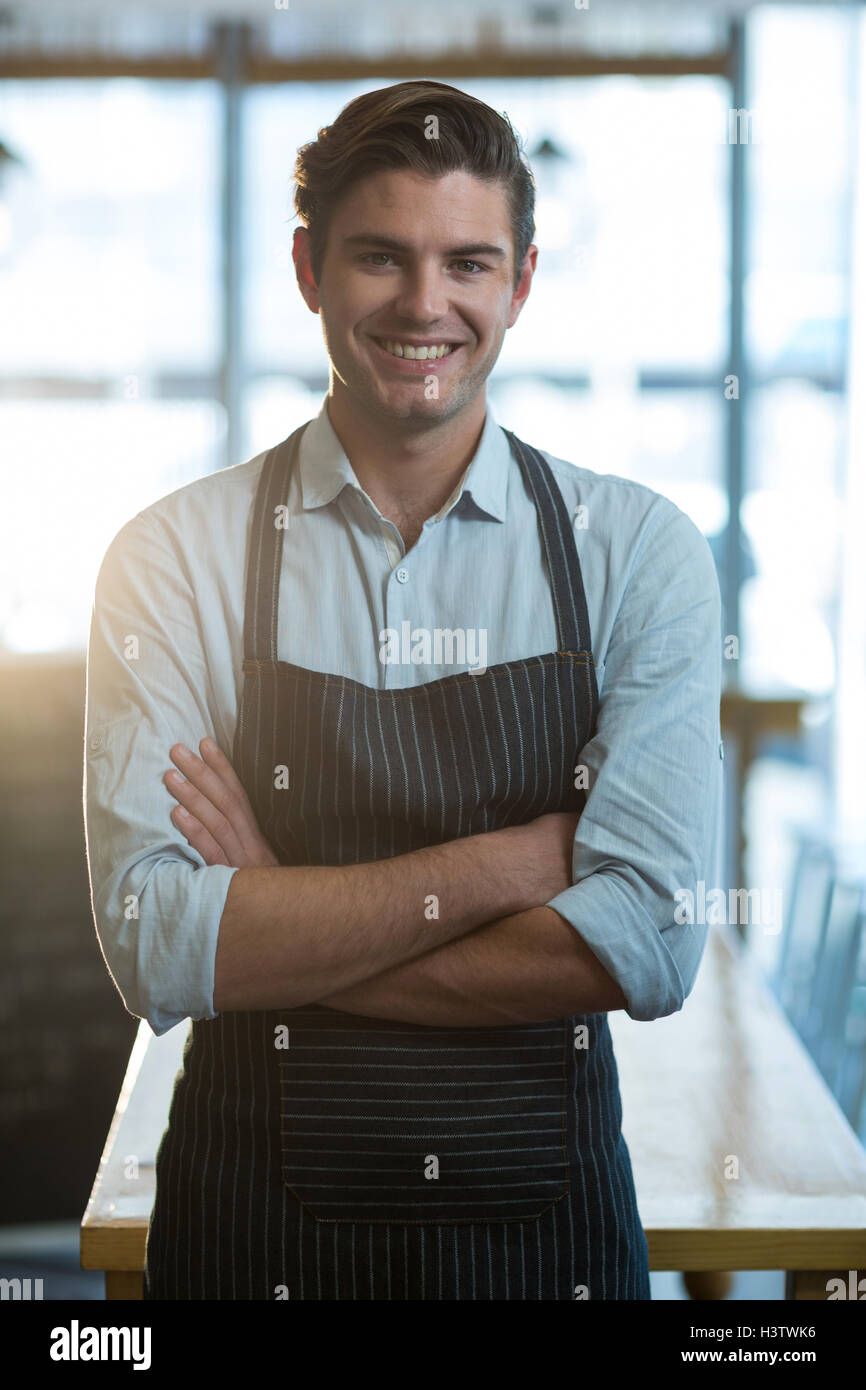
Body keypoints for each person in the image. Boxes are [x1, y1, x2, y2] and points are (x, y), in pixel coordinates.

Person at [84, 79, 722, 1300]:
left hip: (549, 1252)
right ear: (307, 268)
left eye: (467, 263)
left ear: (520, 282)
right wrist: (511, 866)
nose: (424, 305)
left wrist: (270, 910)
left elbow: (643, 943)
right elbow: (159, 944)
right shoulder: (173, 557)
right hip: (250, 1240)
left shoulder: (636, 551)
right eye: (379, 256)